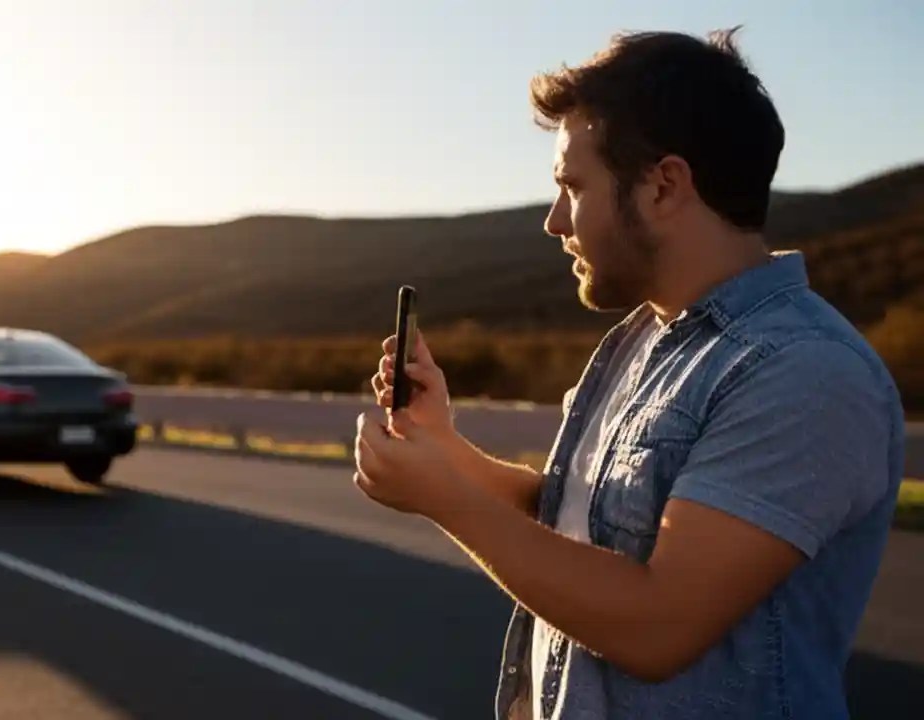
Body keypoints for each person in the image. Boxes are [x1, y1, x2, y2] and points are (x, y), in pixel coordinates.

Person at [354, 27, 905, 720]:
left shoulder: (805, 372)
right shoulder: (641, 341)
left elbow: (659, 625)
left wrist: (445, 500)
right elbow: (582, 517)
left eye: (572, 186)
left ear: (664, 186)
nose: (555, 221)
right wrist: (448, 453)